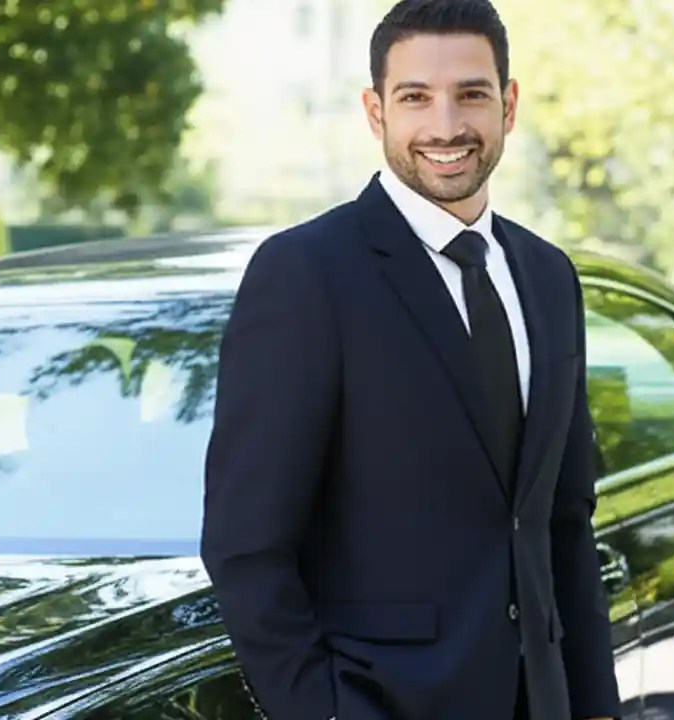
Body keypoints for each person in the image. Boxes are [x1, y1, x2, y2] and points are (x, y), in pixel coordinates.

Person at [200, 0, 619, 718]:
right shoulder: (307, 274)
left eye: (472, 95)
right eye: (415, 98)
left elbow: (562, 524)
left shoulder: (549, 277)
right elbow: (247, 546)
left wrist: (595, 706)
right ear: (376, 111)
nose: (447, 126)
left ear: (509, 104)